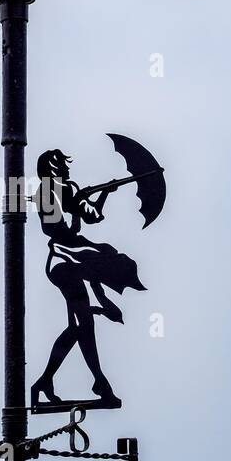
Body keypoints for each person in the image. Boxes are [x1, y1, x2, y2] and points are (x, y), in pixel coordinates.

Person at [30, 149, 145, 405]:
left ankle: (47, 381)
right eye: (60, 165)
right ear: (50, 170)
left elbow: (92, 216)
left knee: (78, 327)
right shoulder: (45, 193)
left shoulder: (69, 188)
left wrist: (104, 192)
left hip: (76, 257)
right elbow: (54, 229)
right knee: (84, 325)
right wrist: (74, 208)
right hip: (63, 261)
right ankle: (99, 382)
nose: (67, 168)